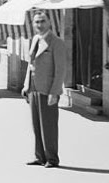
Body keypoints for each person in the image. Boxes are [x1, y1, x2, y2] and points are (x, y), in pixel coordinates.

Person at [21, 11, 67, 168]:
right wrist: (26, 86)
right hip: (33, 88)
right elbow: (30, 64)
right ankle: (40, 156)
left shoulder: (56, 43)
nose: (39, 25)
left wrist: (55, 92)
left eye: (42, 21)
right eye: (36, 22)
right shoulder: (35, 39)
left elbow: (60, 70)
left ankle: (52, 159)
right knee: (36, 125)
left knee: (48, 125)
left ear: (49, 23)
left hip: (48, 90)